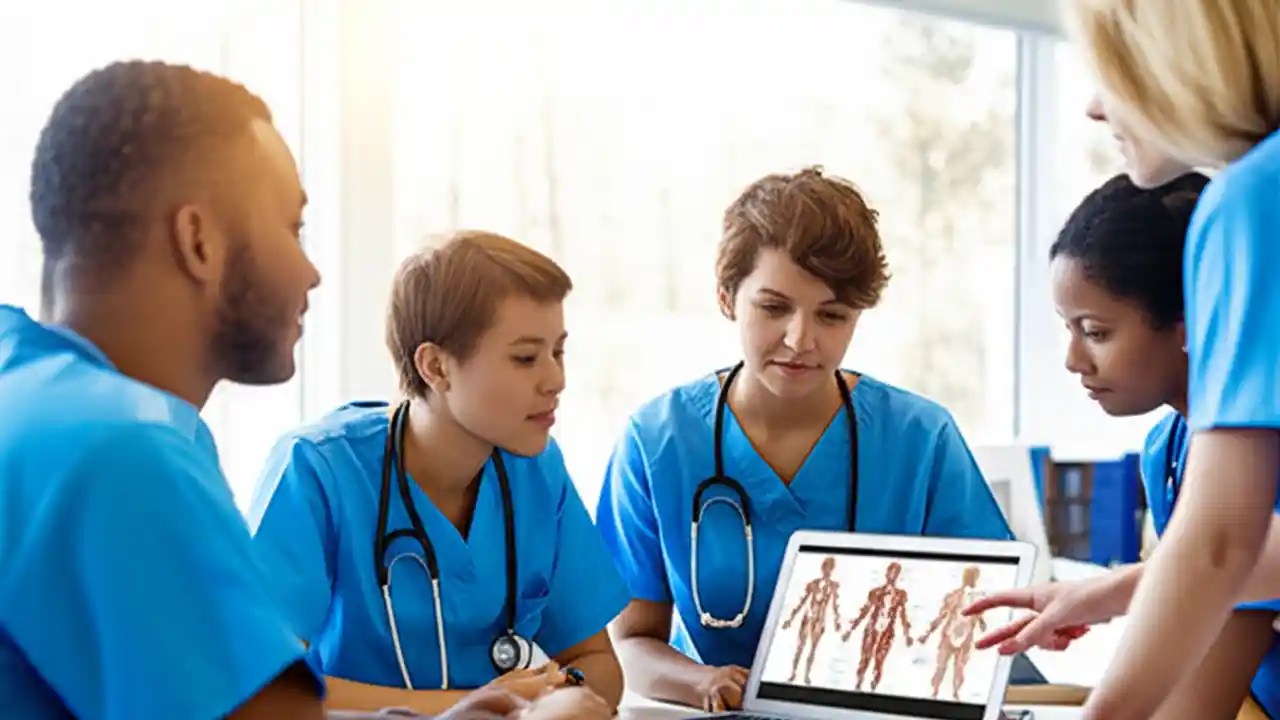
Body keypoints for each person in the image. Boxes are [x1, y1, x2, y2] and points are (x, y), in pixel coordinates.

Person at [0, 59, 608, 720]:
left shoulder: (36, 395)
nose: (312, 272)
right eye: (293, 229)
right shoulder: (125, 453)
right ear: (198, 240)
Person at [595, 166, 1012, 712]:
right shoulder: (659, 441)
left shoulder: (920, 439)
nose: (801, 339)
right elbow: (630, 642)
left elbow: (985, 625)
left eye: (832, 315)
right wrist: (704, 683)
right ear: (727, 298)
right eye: (773, 308)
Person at [990, 2, 1280, 718]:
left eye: (1113, 68)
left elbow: (1222, 547)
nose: (1093, 105)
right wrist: (1117, 590)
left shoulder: (1254, 197)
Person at [247, 231, 630, 717]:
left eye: (559, 352)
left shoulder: (536, 470)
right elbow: (261, 685)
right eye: (525, 357)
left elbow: (595, 661)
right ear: (435, 366)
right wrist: (469, 708)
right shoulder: (318, 470)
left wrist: (560, 691)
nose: (556, 379)